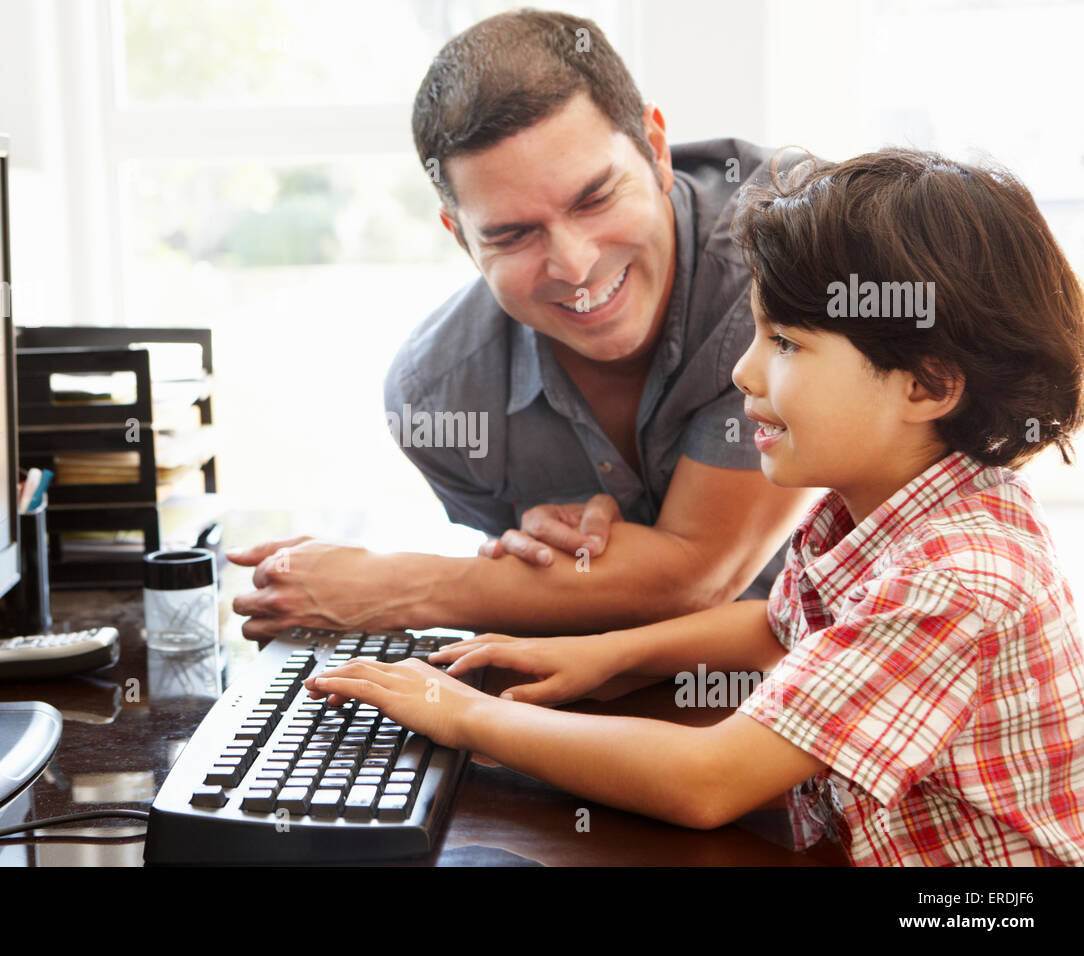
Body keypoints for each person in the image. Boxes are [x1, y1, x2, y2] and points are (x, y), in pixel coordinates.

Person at [305, 148, 1084, 865]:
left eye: (785, 344)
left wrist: (463, 717)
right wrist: (607, 653)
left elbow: (707, 781)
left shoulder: (957, 577)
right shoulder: (880, 509)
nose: (745, 372)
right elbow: (780, 623)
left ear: (926, 385)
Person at [229, 10, 815, 641]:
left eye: (594, 199)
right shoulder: (437, 399)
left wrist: (395, 585)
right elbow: (541, 597)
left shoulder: (796, 252)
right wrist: (549, 559)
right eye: (512, 233)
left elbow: (697, 576)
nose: (575, 264)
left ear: (656, 148)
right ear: (460, 237)